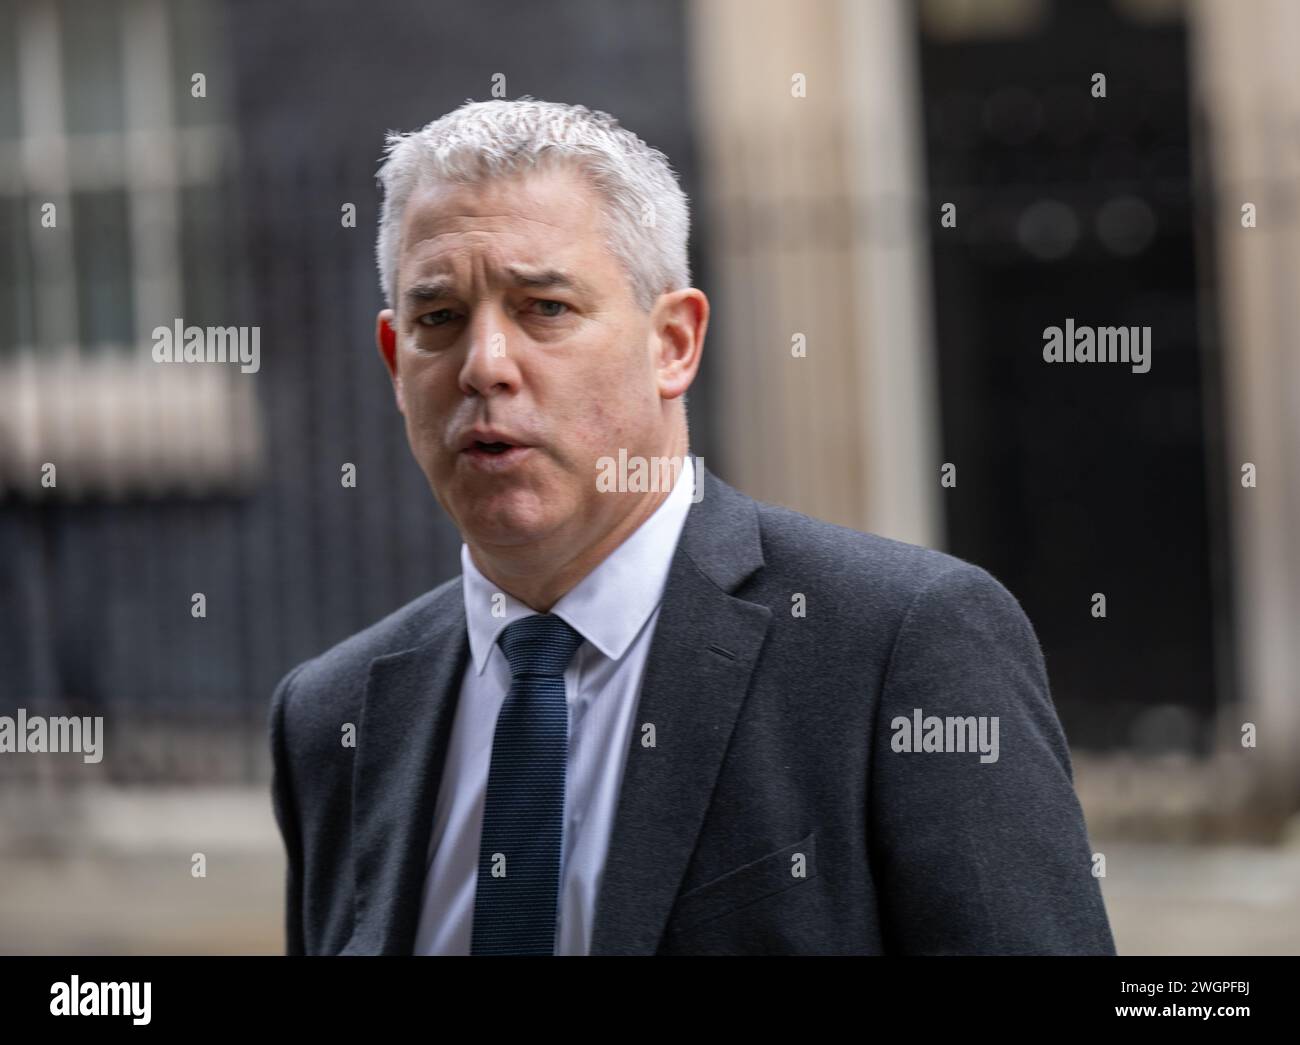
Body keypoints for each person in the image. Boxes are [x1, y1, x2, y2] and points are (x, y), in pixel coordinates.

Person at [268, 97, 1115, 956]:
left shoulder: (902, 645)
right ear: (394, 361)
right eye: (439, 319)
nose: (485, 365)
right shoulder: (333, 713)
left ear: (672, 342)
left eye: (545, 307)